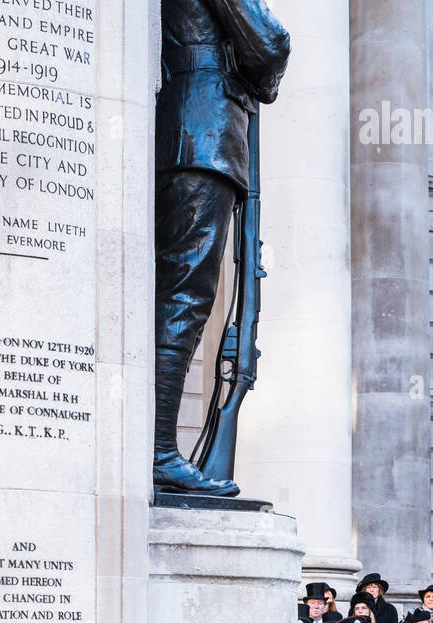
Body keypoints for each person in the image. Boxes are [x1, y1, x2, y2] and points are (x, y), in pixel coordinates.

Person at [154, 0, 290, 496]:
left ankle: (160, 450)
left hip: (191, 132)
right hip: (203, 134)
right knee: (187, 295)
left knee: (180, 292)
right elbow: (270, 44)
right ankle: (160, 453)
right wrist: (259, 78)